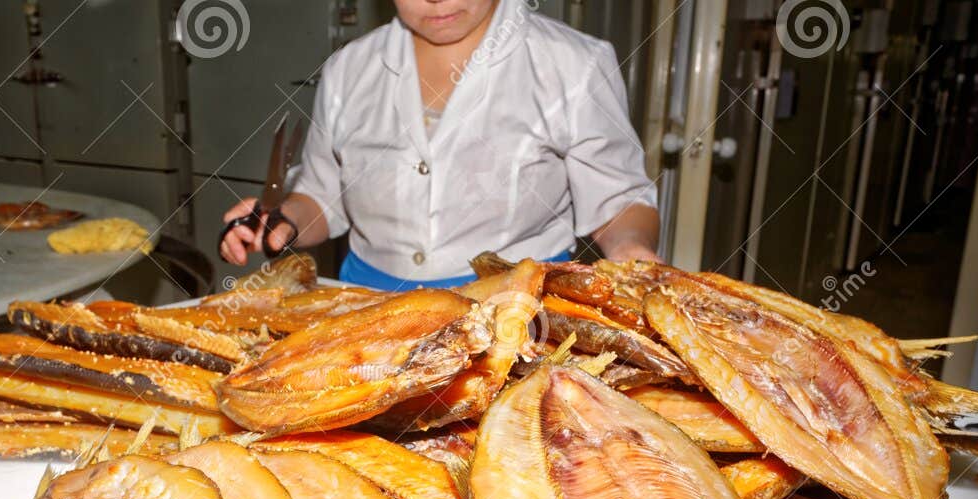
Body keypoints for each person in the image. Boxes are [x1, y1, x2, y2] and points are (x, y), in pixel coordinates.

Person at [218, 0, 660, 290]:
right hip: (370, 309)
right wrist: (285, 219)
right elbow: (322, 195)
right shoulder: (348, 69)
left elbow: (618, 199)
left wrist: (629, 248)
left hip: (515, 312)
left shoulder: (573, 64)